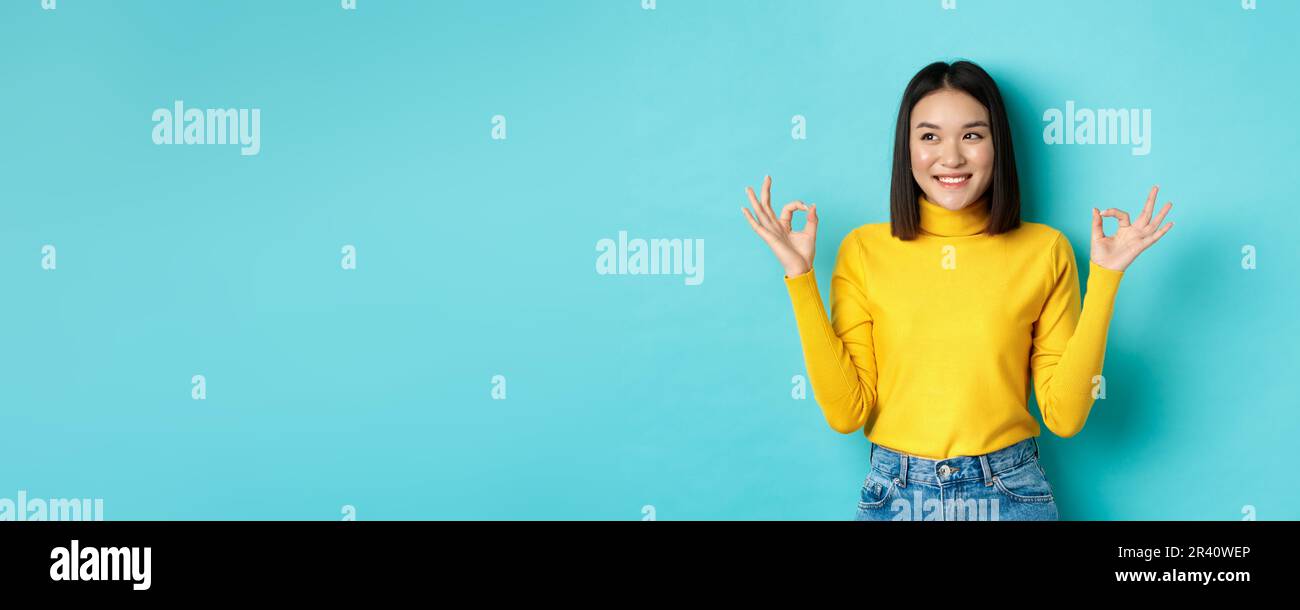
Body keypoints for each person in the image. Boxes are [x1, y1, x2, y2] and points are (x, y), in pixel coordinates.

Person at [740, 60, 1174, 521]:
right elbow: (847, 412)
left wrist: (1105, 277)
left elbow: (1065, 418)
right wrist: (799, 275)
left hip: (1009, 492)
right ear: (907, 150)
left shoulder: (1045, 250)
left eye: (971, 135)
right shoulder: (864, 250)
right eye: (929, 136)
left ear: (996, 145)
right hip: (896, 495)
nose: (951, 157)